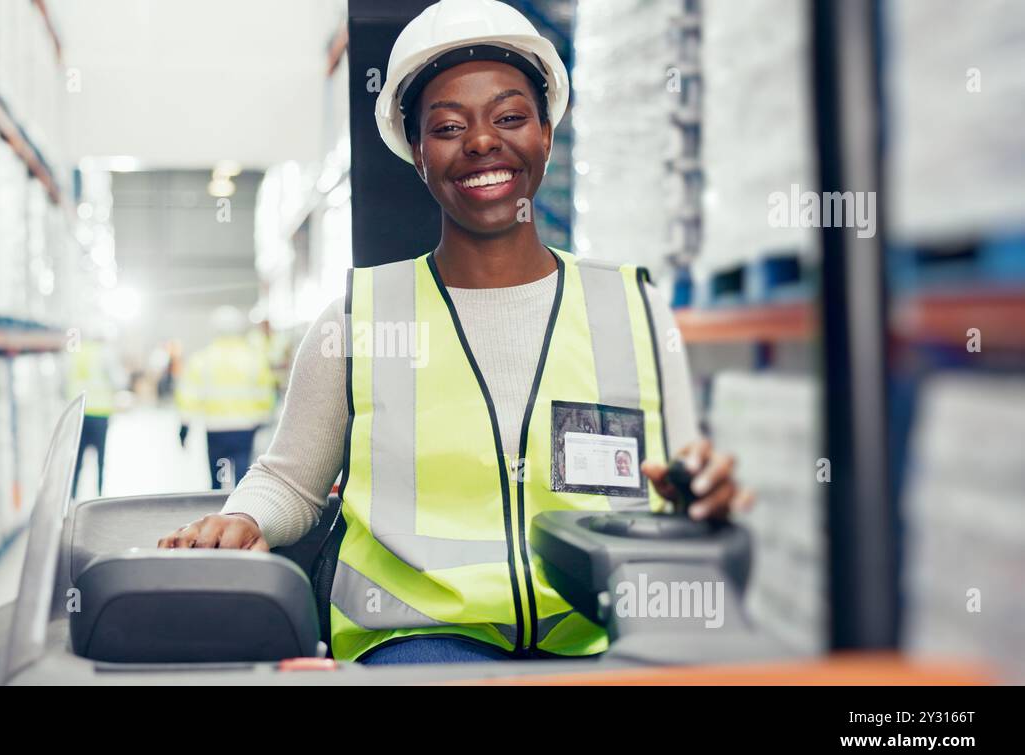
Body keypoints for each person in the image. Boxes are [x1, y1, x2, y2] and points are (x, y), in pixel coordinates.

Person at [159, 0, 752, 664]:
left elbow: (683, 476)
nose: (481, 143)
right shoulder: (360, 319)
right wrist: (244, 516)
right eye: (447, 126)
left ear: (547, 134)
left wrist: (703, 495)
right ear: (417, 152)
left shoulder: (633, 306)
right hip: (421, 644)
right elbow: (291, 482)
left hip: (605, 636)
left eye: (510, 117)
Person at [175, 306, 277, 489]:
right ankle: (239, 512)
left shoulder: (203, 360)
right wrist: (264, 420)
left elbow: (189, 397)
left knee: (218, 479)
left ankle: (218, 510)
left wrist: (184, 427)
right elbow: (265, 394)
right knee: (241, 480)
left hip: (216, 430)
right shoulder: (254, 358)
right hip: (245, 429)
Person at [67, 336, 123, 498]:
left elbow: (63, 383)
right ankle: (99, 494)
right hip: (100, 413)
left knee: (77, 459)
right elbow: (118, 381)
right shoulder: (104, 353)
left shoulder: (74, 353)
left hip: (79, 414)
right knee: (100, 459)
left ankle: (72, 496)